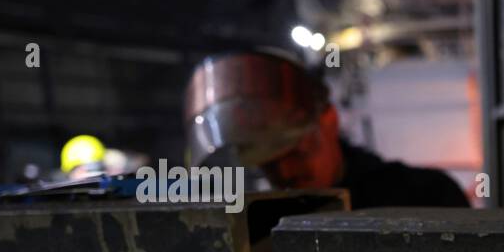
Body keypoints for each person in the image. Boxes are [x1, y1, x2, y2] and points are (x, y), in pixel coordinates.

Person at [184, 49, 467, 209]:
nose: (286, 173)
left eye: (297, 153)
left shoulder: (425, 196)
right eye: (269, 165)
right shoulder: (268, 225)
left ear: (329, 120)